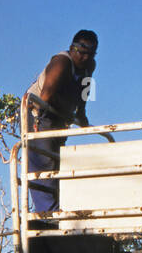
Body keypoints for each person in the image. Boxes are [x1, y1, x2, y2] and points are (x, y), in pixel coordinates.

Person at [24, 30, 110, 213]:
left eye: (91, 53)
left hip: (59, 116)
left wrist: (82, 115)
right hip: (39, 112)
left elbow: (85, 92)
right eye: (82, 52)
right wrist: (66, 111)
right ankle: (47, 214)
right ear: (72, 48)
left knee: (58, 162)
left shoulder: (90, 66)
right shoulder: (61, 63)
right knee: (43, 162)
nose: (85, 57)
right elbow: (46, 97)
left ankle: (57, 210)